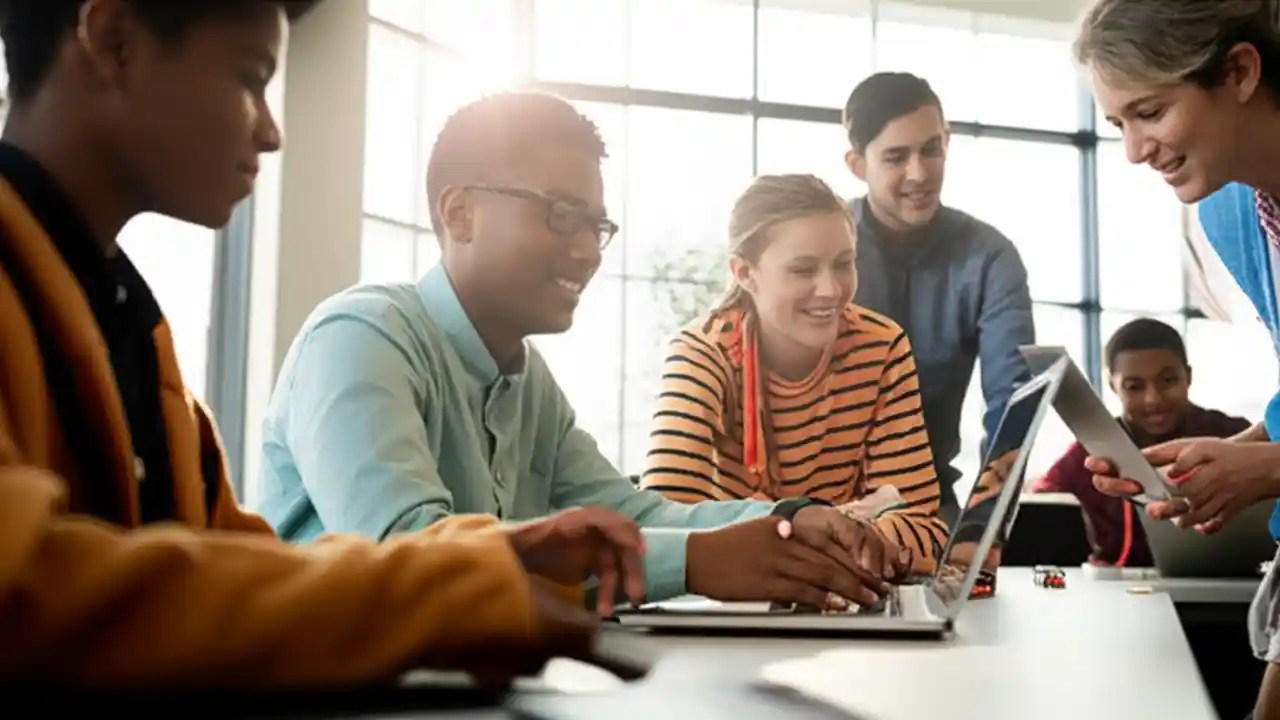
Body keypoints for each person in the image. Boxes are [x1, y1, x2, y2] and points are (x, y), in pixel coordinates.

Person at [0, 0, 661, 689]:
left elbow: (228, 560)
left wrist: (493, 559)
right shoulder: (351, 333)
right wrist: (455, 594)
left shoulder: (120, 317)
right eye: (249, 80)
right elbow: (23, 588)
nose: (270, 132)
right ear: (114, 41)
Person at [256, 91, 908, 615]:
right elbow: (408, 559)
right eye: (563, 215)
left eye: (597, 226)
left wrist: (791, 520)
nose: (590, 251)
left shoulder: (525, 380)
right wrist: (696, 562)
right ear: (460, 214)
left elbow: (638, 514)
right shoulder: (360, 337)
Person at [1074, 0, 1280, 714]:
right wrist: (1224, 466)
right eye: (1118, 125)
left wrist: (1270, 465)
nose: (1134, 150)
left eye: (1150, 113)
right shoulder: (1228, 211)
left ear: (1240, 71)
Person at [641, 173, 947, 575]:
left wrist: (801, 536)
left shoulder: (883, 348)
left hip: (835, 589)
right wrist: (840, 531)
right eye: (803, 270)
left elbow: (926, 531)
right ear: (745, 274)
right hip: (739, 597)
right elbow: (662, 527)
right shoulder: (702, 353)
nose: (831, 290)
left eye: (843, 264)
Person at [841, 72, 1036, 525]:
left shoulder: (990, 258)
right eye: (895, 157)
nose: (920, 173)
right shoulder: (822, 246)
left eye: (931, 149)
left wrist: (982, 529)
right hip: (815, 503)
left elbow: (1012, 403)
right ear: (857, 165)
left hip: (925, 505)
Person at [1030, 318, 1250, 566]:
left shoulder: (1232, 437)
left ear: (1188, 376)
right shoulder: (1090, 453)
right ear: (1113, 385)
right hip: (1115, 594)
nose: (1153, 399)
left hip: (1231, 587)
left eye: (1168, 381)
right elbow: (1039, 511)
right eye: (1134, 386)